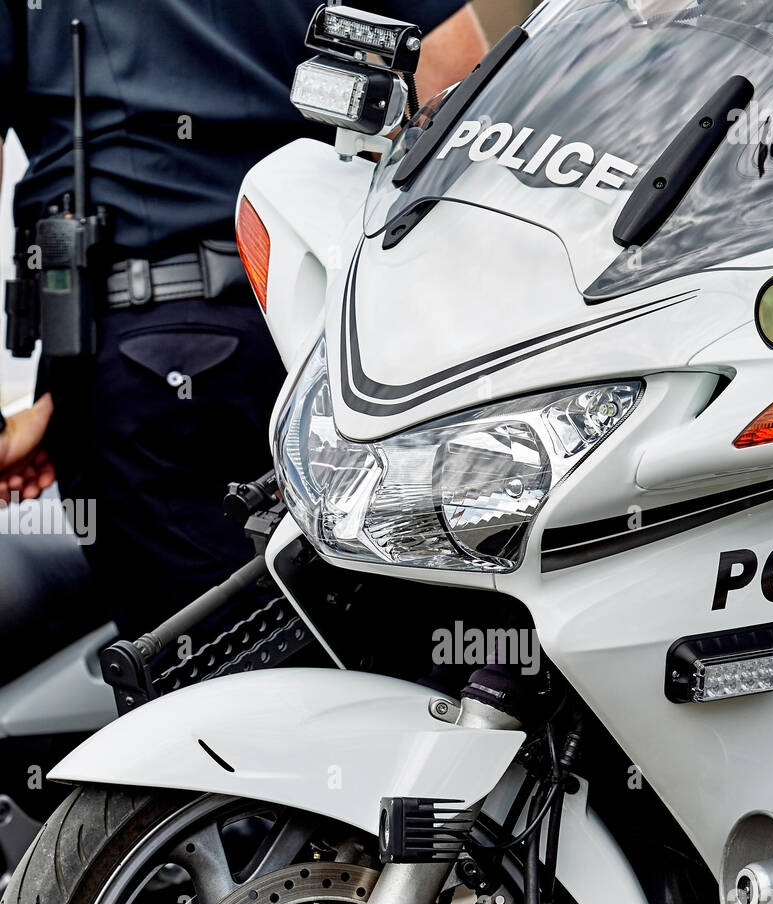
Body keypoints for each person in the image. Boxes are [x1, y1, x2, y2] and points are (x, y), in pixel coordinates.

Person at [0, 1, 486, 635]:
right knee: (405, 649)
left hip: (150, 362)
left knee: (212, 676)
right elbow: (465, 91)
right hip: (349, 331)